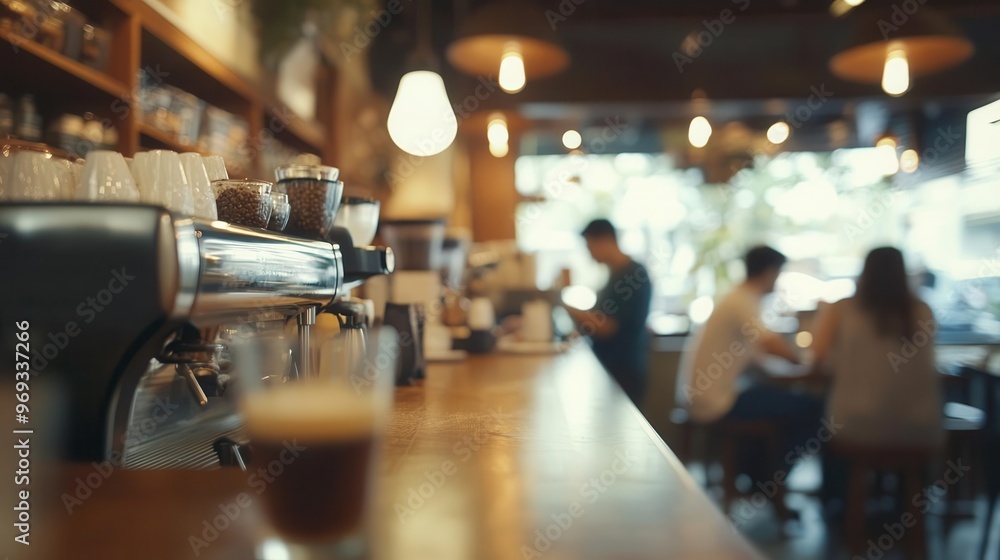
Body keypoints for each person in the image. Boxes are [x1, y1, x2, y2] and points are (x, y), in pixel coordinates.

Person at [676, 246, 823, 519]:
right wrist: (806, 361)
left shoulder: (735, 299)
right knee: (815, 409)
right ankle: (771, 479)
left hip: (707, 396)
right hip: (717, 401)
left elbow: (755, 357)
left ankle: (761, 477)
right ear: (769, 272)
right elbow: (769, 344)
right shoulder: (742, 301)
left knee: (782, 404)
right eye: (778, 274)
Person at [811, 247, 942, 447]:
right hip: (920, 426)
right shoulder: (923, 310)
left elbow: (817, 355)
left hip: (856, 425)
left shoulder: (842, 308)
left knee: (818, 417)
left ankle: (839, 479)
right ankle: (913, 478)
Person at [566, 219, 652, 406]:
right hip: (614, 369)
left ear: (604, 241)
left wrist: (565, 305)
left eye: (590, 247)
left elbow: (606, 327)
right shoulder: (615, 274)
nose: (589, 254)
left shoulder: (632, 275)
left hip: (623, 371)